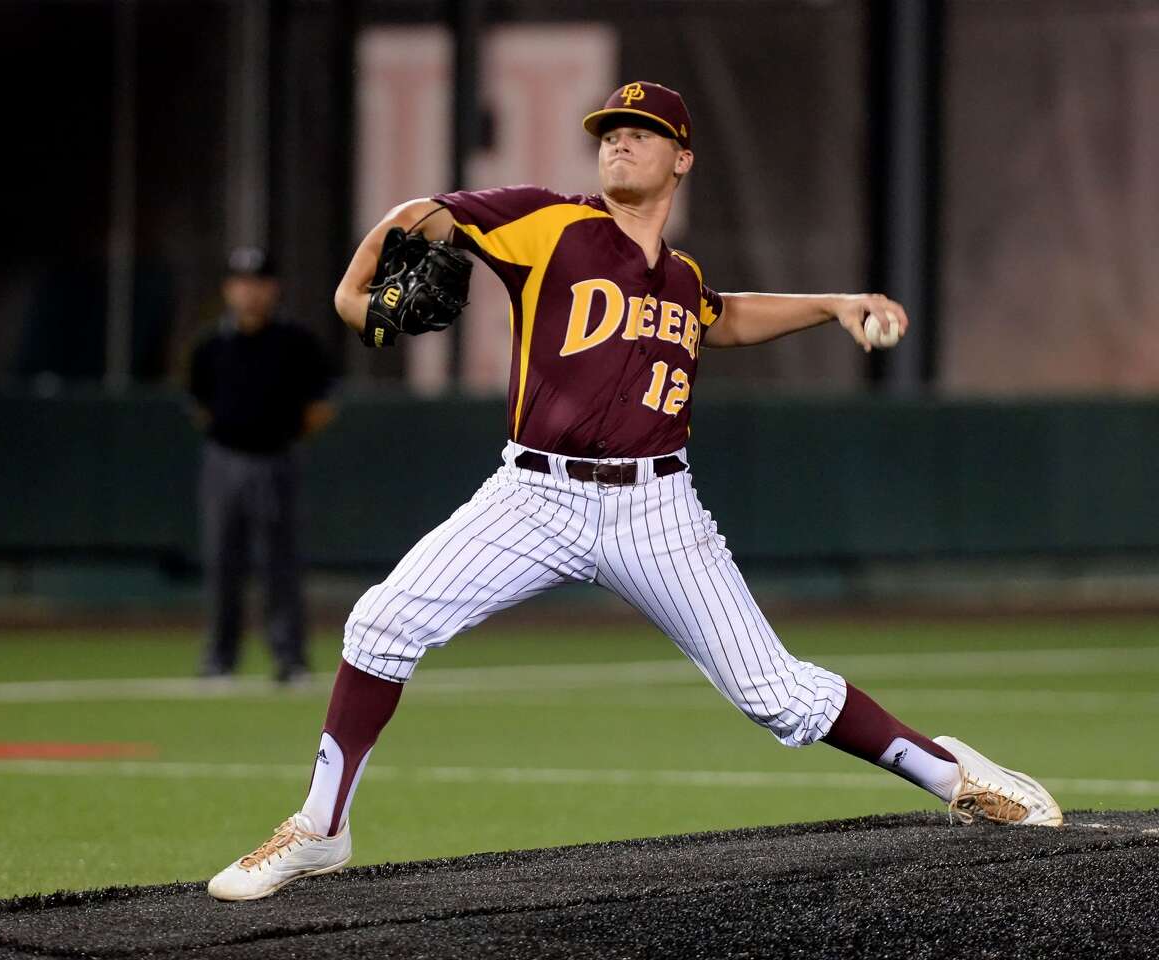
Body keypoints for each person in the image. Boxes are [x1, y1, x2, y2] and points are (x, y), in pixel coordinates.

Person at [207, 83, 1061, 901]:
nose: (618, 138)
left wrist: (832, 303)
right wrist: (354, 290)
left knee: (781, 698)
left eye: (641, 131)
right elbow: (421, 216)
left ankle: (957, 775)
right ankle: (322, 827)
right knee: (380, 623)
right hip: (532, 495)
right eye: (610, 129)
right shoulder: (551, 222)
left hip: (656, 508)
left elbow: (720, 316)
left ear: (681, 159)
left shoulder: (680, 278)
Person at [190, 247, 335, 685]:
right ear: (227, 289)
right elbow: (198, 404)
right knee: (222, 563)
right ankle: (220, 659)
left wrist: (283, 436)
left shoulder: (295, 342)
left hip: (277, 458)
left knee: (281, 564)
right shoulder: (212, 345)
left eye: (258, 283)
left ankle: (289, 659)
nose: (249, 292)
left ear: (274, 288)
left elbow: (322, 404)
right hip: (225, 460)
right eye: (240, 283)